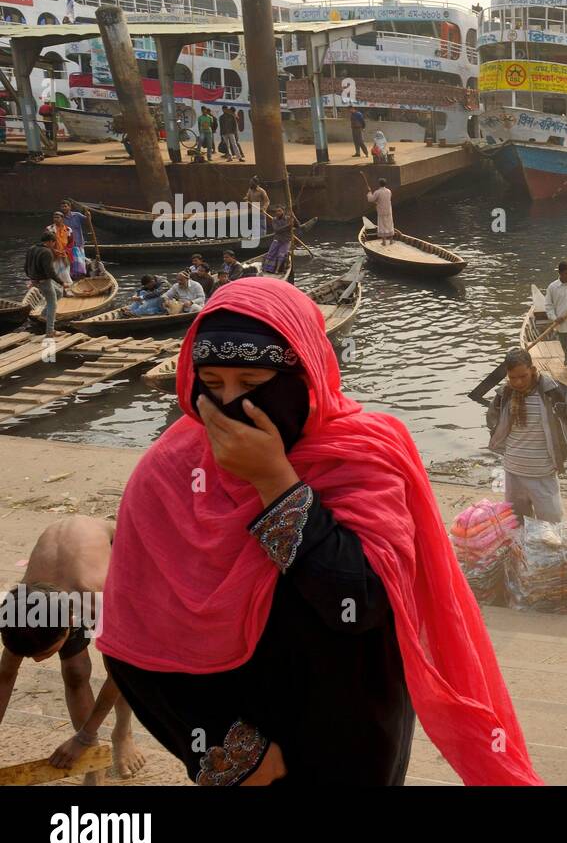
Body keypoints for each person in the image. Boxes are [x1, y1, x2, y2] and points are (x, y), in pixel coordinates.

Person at [99, 280, 541, 785]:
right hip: (250, 754)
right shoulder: (171, 471)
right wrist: (224, 747)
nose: (228, 405)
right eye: (212, 383)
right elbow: (129, 636)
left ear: (303, 372)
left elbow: (359, 602)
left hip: (355, 730)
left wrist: (274, 482)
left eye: (251, 381)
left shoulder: (362, 453)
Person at [0, 518, 148, 784]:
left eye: (45, 652)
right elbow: (5, 675)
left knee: (120, 663)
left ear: (70, 623)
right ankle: (93, 761)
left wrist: (85, 736)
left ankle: (122, 733)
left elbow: (122, 674)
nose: (36, 660)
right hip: (59, 574)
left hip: (115, 548)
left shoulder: (98, 599)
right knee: (76, 672)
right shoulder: (22, 603)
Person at [486, 348, 567, 523]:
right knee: (517, 523)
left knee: (551, 523)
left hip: (543, 472)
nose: (518, 382)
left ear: (533, 370)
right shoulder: (504, 395)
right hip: (513, 472)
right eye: (512, 378)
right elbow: (492, 421)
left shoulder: (556, 392)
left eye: (523, 376)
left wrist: (566, 448)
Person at [24, 231, 63, 338]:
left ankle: (43, 314)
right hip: (44, 281)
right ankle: (50, 331)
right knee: (53, 304)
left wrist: (32, 279)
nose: (54, 245)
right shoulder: (46, 252)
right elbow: (50, 272)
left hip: (36, 280)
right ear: (50, 241)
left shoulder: (31, 248)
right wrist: (62, 282)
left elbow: (25, 266)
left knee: (59, 293)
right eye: (54, 243)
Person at [59, 200, 90, 280]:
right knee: (70, 262)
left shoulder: (77, 215)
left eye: (65, 206)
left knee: (80, 262)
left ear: (69, 207)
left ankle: (80, 277)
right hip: (67, 244)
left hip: (78, 242)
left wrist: (88, 216)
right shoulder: (60, 218)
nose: (64, 208)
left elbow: (87, 221)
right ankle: (71, 278)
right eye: (62, 207)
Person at [263, 206, 296, 276]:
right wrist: (288, 226)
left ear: (283, 211)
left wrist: (294, 218)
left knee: (281, 254)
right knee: (271, 253)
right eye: (277, 211)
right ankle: (267, 268)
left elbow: (297, 225)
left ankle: (277, 270)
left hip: (286, 240)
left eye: (279, 211)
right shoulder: (274, 219)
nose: (278, 213)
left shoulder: (288, 219)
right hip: (277, 239)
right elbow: (276, 230)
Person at [366, 178, 395, 244]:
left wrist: (369, 192)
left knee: (382, 225)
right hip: (388, 210)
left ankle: (384, 241)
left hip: (381, 210)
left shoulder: (377, 192)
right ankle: (391, 241)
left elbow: (371, 199)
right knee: (389, 224)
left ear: (379, 184)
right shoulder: (389, 191)